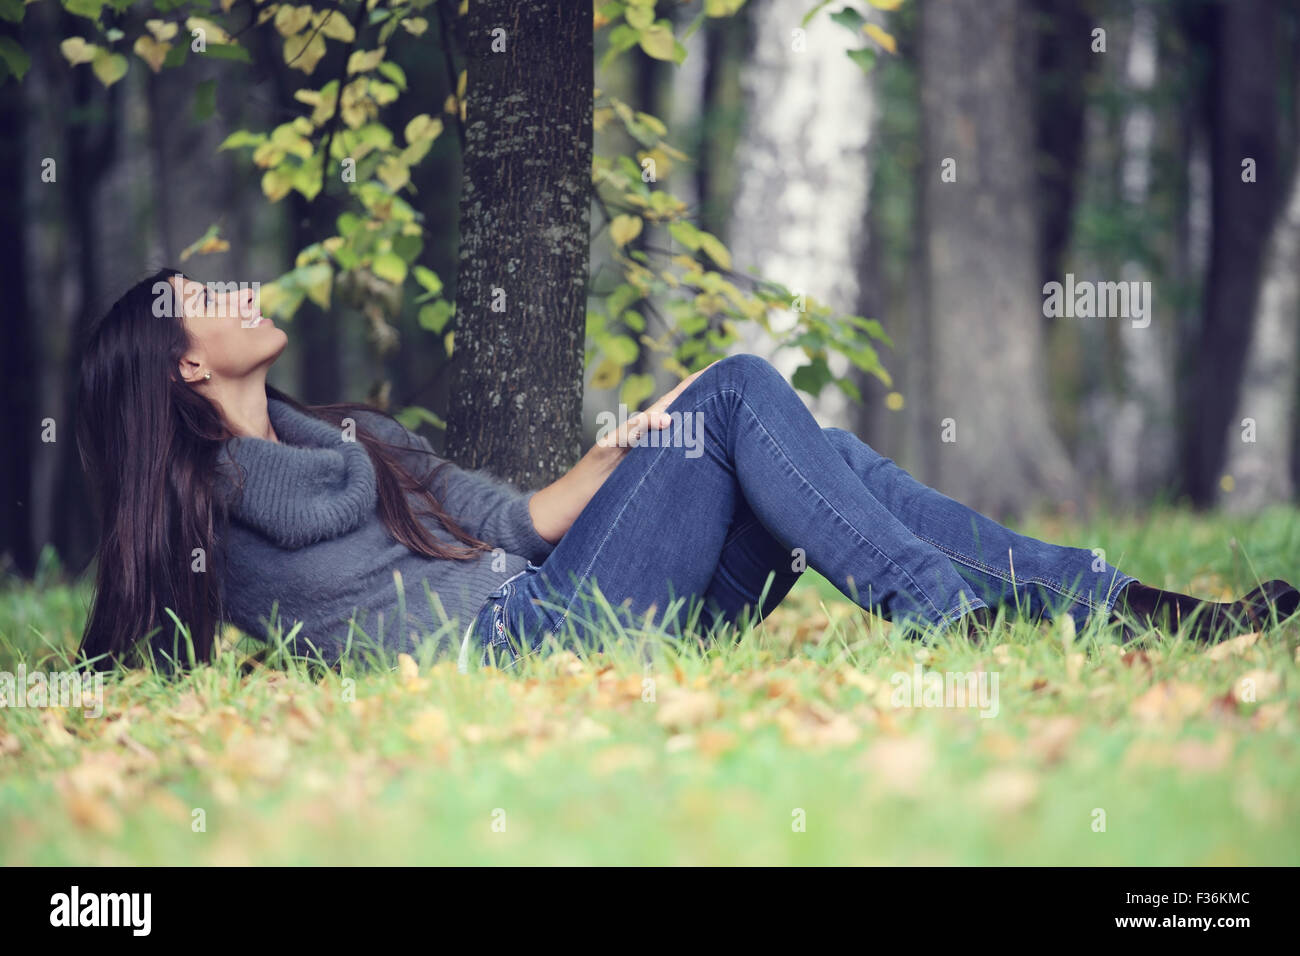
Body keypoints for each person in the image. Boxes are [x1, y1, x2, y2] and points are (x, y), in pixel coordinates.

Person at [75, 269, 1299, 672]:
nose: (237, 291)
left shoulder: (358, 439)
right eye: (203, 296)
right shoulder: (204, 512)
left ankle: (1121, 604)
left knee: (822, 454)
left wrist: (625, 443)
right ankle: (951, 614)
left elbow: (527, 518)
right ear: (181, 366)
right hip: (524, 649)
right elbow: (141, 625)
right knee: (743, 387)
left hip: (577, 598)